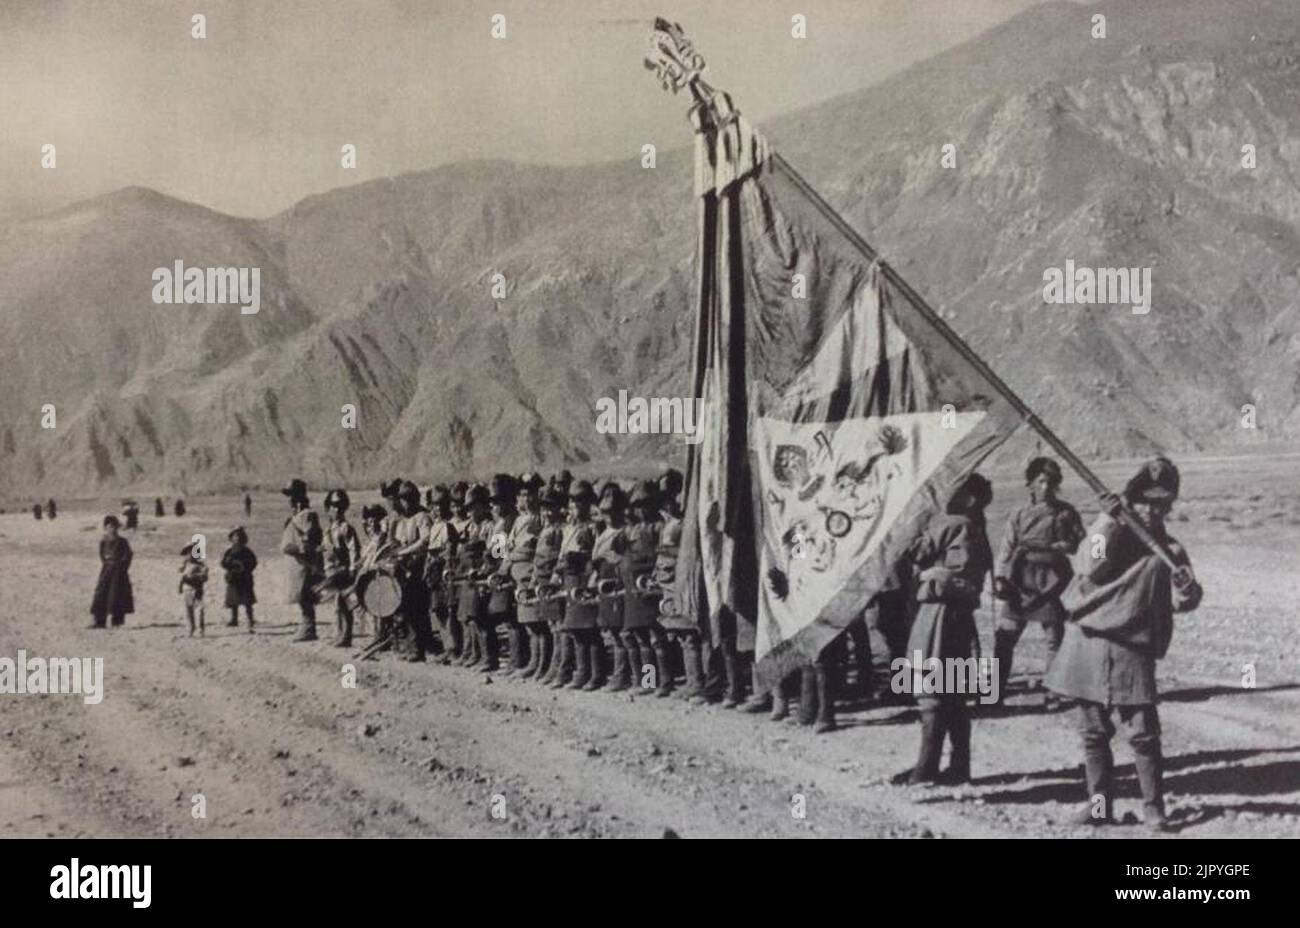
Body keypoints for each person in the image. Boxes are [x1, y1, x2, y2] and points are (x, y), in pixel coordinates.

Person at [1046, 456, 1201, 831]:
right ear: (1132, 499)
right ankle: (1099, 808)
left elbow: (1186, 601)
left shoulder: (1171, 550)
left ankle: (1154, 808)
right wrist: (1107, 520)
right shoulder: (1109, 533)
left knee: (1145, 734)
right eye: (1146, 501)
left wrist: (1189, 589)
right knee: (1093, 733)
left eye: (1163, 502)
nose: (1154, 509)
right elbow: (1089, 565)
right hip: (1088, 642)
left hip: (1134, 648)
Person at [893, 472, 994, 786]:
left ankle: (927, 768)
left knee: (934, 688)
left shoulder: (957, 524)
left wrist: (931, 572)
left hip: (943, 613)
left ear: (969, 497)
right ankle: (954, 766)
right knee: (951, 691)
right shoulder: (963, 524)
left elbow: (949, 572)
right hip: (948, 614)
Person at [991, 456, 1085, 701]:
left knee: (1055, 637)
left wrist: (1062, 546)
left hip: (1051, 580)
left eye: (1051, 482)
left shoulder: (1066, 513)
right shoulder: (1019, 513)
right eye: (1041, 481)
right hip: (1020, 578)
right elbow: (1007, 546)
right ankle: (995, 691)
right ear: (1030, 484)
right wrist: (1000, 577)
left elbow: (1079, 544)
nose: (1046, 487)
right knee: (1005, 636)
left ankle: (1053, 691)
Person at [653, 468, 706, 700]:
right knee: (678, 634)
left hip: (682, 580)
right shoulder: (667, 523)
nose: (668, 503)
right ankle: (679, 681)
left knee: (689, 634)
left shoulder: (685, 523)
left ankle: (697, 683)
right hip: (666, 582)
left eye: (671, 497)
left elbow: (688, 552)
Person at [621, 481, 670, 695]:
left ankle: (664, 681)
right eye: (637, 505)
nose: (641, 510)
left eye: (645, 505)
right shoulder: (630, 529)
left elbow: (663, 554)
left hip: (650, 585)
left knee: (655, 636)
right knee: (639, 636)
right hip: (632, 586)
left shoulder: (659, 527)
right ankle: (647, 681)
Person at [554, 481, 600, 689]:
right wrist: (558, 572)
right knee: (574, 629)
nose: (576, 505)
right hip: (569, 579)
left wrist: (589, 569)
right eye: (573, 500)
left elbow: (598, 555)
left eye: (580, 500)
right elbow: (562, 554)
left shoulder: (594, 527)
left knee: (590, 629)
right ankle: (580, 672)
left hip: (585, 578)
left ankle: (596, 674)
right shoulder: (568, 528)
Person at [501, 474, 545, 678]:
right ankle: (529, 662)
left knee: (536, 622)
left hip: (529, 571)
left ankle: (539, 665)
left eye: (529, 495)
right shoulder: (518, 519)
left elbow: (532, 549)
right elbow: (508, 547)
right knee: (525, 622)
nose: (525, 499)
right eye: (521, 495)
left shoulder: (539, 519)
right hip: (516, 571)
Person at [388, 480, 436, 662]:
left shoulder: (422, 517)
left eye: (409, 499)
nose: (406, 503)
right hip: (405, 568)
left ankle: (422, 647)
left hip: (420, 567)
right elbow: (395, 541)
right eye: (403, 500)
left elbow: (425, 540)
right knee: (406, 607)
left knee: (419, 609)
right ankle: (411, 646)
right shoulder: (402, 520)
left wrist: (404, 551)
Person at [527, 486, 567, 684]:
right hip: (538, 578)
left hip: (553, 580)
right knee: (544, 624)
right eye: (544, 509)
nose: (547, 513)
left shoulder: (560, 530)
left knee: (557, 626)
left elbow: (559, 557)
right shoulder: (543, 528)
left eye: (551, 508)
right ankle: (543, 665)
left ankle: (559, 667)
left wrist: (553, 579)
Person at [593, 483, 630, 692]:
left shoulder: (624, 532)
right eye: (605, 512)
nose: (609, 516)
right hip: (604, 584)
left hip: (620, 584)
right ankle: (620, 675)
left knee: (631, 635)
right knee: (614, 634)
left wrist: (614, 560)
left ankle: (646, 680)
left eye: (612, 512)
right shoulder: (604, 532)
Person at [454, 484, 495, 668]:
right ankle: (475, 654)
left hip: (482, 578)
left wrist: (485, 571)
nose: (470, 512)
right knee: (470, 618)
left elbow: (497, 554)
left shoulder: (491, 527)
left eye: (474, 508)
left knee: (483, 620)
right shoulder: (471, 528)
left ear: (483, 507)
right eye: (469, 509)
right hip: (469, 578)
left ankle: (489, 658)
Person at [483, 475, 521, 674]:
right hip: (504, 572)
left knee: (508, 619)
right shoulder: (508, 521)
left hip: (504, 574)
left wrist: (491, 562)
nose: (494, 507)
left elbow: (498, 554)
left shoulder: (505, 524)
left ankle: (512, 661)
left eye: (497, 502)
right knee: (510, 620)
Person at [280, 478, 323, 642]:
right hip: (297, 563)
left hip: (304, 563)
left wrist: (296, 549)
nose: (290, 500)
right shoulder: (298, 515)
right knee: (300, 595)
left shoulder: (307, 515)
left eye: (292, 496)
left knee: (305, 595)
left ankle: (309, 627)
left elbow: (310, 539)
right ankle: (306, 626)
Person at [423, 486, 460, 663]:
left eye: (441, 505)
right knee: (437, 610)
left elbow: (449, 551)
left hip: (444, 571)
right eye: (434, 506)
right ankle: (447, 646)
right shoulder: (434, 526)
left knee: (447, 610)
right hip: (434, 571)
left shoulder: (448, 526)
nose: (437, 509)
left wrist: (441, 564)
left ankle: (452, 648)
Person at [322, 490, 362, 647]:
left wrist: (353, 568)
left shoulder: (346, 528)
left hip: (343, 571)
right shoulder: (329, 529)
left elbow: (353, 549)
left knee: (344, 604)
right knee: (337, 604)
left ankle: (346, 635)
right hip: (332, 571)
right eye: (333, 506)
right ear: (328, 508)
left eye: (339, 506)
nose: (336, 510)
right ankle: (339, 634)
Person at [90, 515, 133, 628]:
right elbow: (102, 555)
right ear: (105, 527)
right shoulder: (103, 541)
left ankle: (117, 621)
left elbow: (128, 555)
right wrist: (107, 563)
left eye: (114, 527)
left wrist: (122, 567)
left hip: (119, 572)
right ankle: (99, 621)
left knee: (117, 594)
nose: (112, 529)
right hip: (106, 570)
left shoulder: (123, 541)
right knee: (101, 593)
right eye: (109, 527)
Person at [221, 526, 258, 631]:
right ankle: (234, 619)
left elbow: (253, 562)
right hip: (233, 578)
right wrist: (230, 566)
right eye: (235, 536)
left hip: (245, 578)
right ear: (231, 538)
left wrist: (245, 568)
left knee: (247, 601)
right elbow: (223, 563)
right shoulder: (229, 551)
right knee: (233, 600)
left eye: (240, 536)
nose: (237, 538)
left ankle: (250, 619)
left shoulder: (247, 551)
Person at [178, 542, 209, 637]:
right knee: (188, 610)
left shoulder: (201, 565)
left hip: (197, 589)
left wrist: (192, 577)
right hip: (187, 590)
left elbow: (204, 577)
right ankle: (190, 629)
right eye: (188, 553)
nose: (191, 555)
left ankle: (200, 629)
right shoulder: (184, 566)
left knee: (199, 610)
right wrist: (179, 587)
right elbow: (180, 577)